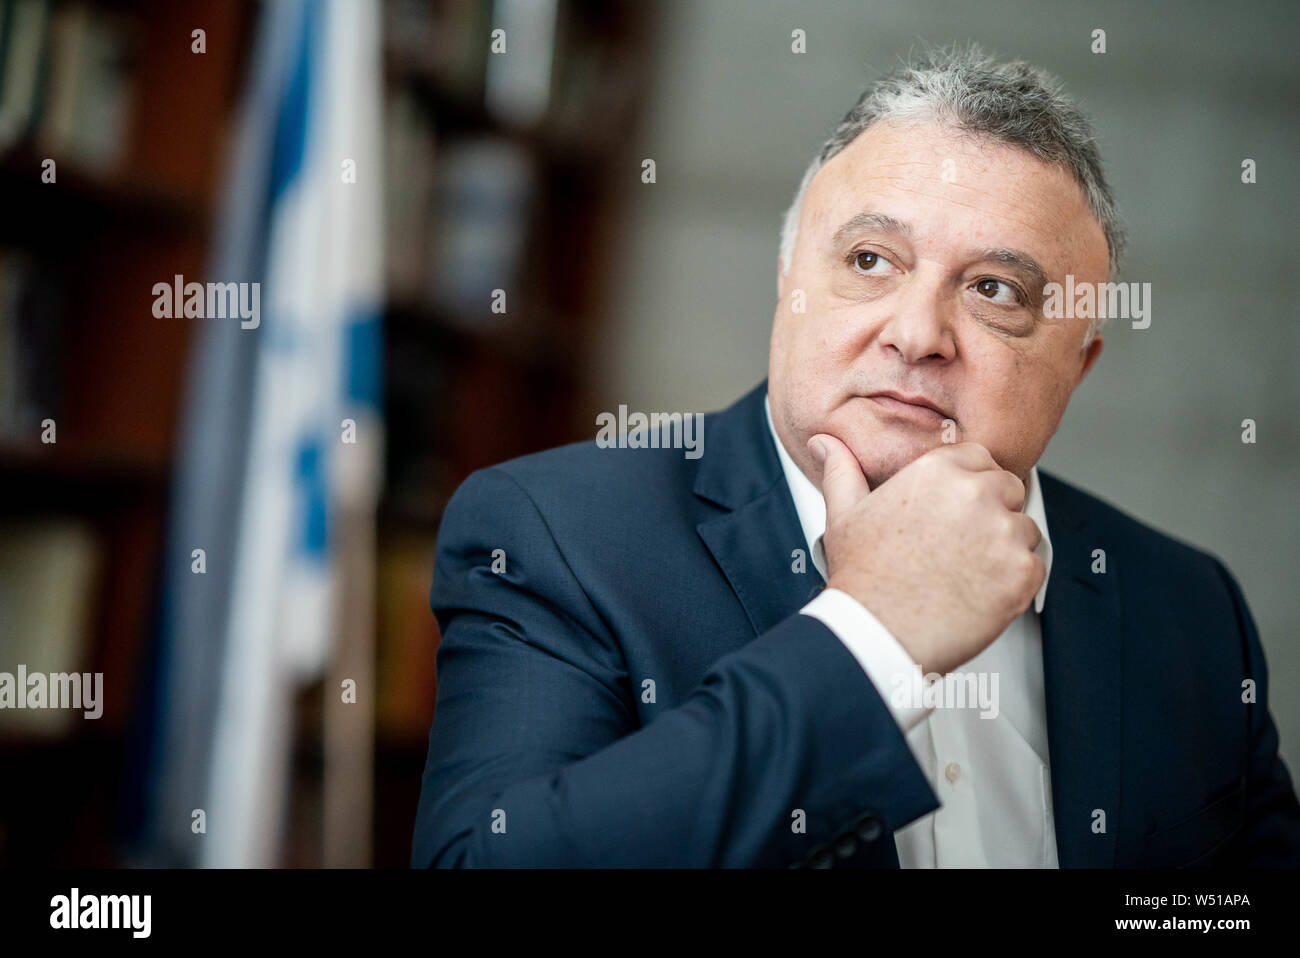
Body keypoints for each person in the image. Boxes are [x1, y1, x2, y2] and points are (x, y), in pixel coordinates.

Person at [411, 45, 1300, 868]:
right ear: (788, 281)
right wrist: (874, 636)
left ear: (1079, 365)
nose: (917, 335)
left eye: (996, 290)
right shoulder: (555, 534)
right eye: (872, 259)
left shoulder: (1190, 608)